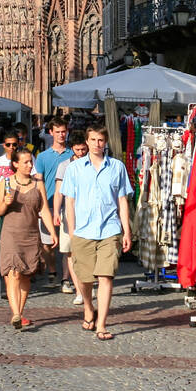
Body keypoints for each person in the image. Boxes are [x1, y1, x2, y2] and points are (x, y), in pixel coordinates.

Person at [61, 123, 132, 340]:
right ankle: (89, 308)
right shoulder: (74, 169)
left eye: (100, 140)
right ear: (86, 141)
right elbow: (69, 202)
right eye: (92, 140)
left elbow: (122, 200)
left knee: (106, 276)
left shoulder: (117, 167)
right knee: (84, 279)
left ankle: (101, 324)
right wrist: (72, 232)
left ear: (105, 142)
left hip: (110, 229)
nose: (96, 144)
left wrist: (126, 231)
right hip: (82, 230)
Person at [0, 145, 57, 329]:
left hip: (31, 234)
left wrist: (52, 232)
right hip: (11, 234)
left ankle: (19, 313)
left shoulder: (38, 184)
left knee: (25, 276)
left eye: (31, 161)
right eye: (26, 162)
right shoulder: (5, 183)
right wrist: (5, 204)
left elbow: (44, 209)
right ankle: (15, 313)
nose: (30, 165)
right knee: (13, 273)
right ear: (15, 164)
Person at [33, 120, 74, 291]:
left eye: (63, 131)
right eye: (58, 132)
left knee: (67, 244)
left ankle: (66, 278)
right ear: (51, 132)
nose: (61, 135)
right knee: (47, 243)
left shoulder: (73, 154)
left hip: (68, 205)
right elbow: (38, 181)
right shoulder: (42, 156)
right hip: (47, 203)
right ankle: (52, 271)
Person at [52, 131, 87, 307]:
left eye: (83, 149)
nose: (80, 153)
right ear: (72, 149)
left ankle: (86, 285)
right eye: (77, 150)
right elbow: (59, 191)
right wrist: (56, 212)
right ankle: (79, 290)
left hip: (87, 214)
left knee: (87, 253)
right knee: (70, 253)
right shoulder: (64, 166)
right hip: (69, 213)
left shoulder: (92, 164)